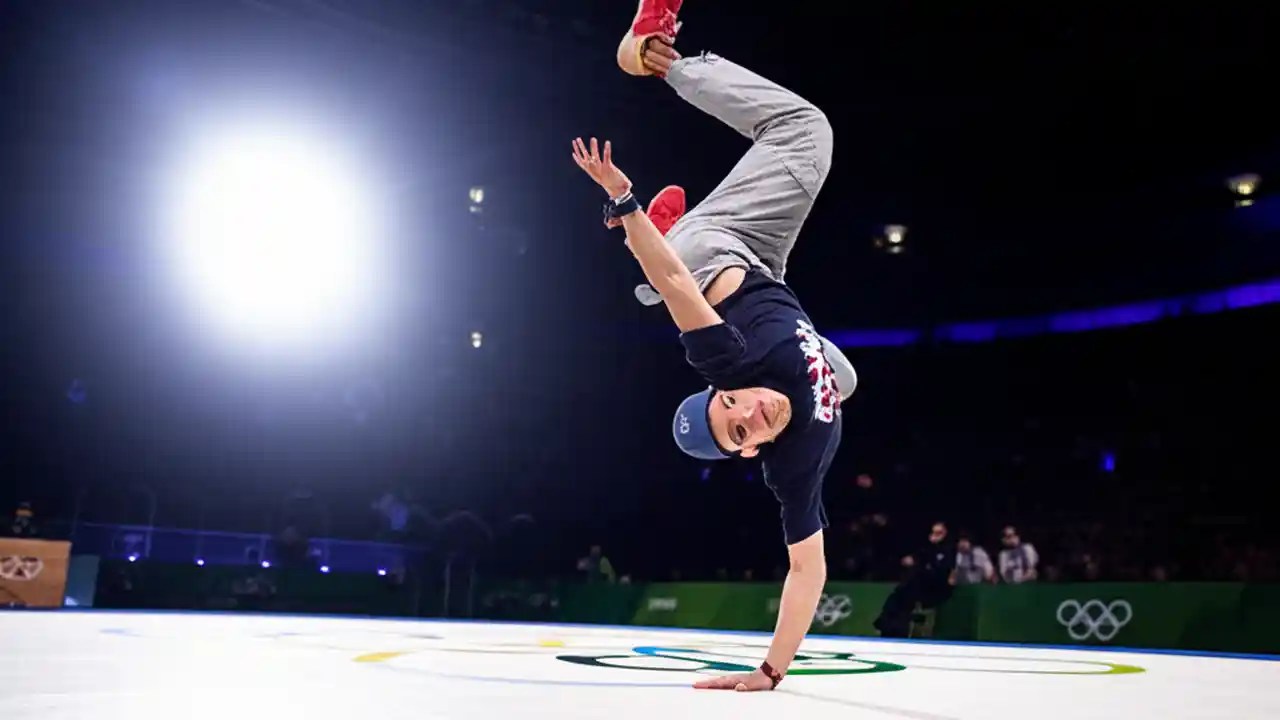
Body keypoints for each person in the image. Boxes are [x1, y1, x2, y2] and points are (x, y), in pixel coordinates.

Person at [570, 0, 857, 692]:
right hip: (767, 271)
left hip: (712, 254)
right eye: (742, 432)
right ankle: (667, 234)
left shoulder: (724, 362)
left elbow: (673, 284)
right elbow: (808, 569)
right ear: (750, 452)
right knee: (841, 379)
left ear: (721, 389)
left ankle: (660, 53)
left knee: (805, 129)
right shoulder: (795, 464)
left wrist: (624, 204)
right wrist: (770, 671)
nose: (751, 415)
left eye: (733, 408)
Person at [873, 522, 956, 637]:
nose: (935, 536)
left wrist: (921, 565)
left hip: (936, 589)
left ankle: (895, 629)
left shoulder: (948, 552)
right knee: (897, 597)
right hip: (918, 587)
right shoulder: (927, 549)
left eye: (939, 533)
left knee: (906, 595)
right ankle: (886, 627)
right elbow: (919, 559)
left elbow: (941, 573)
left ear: (945, 534)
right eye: (933, 532)